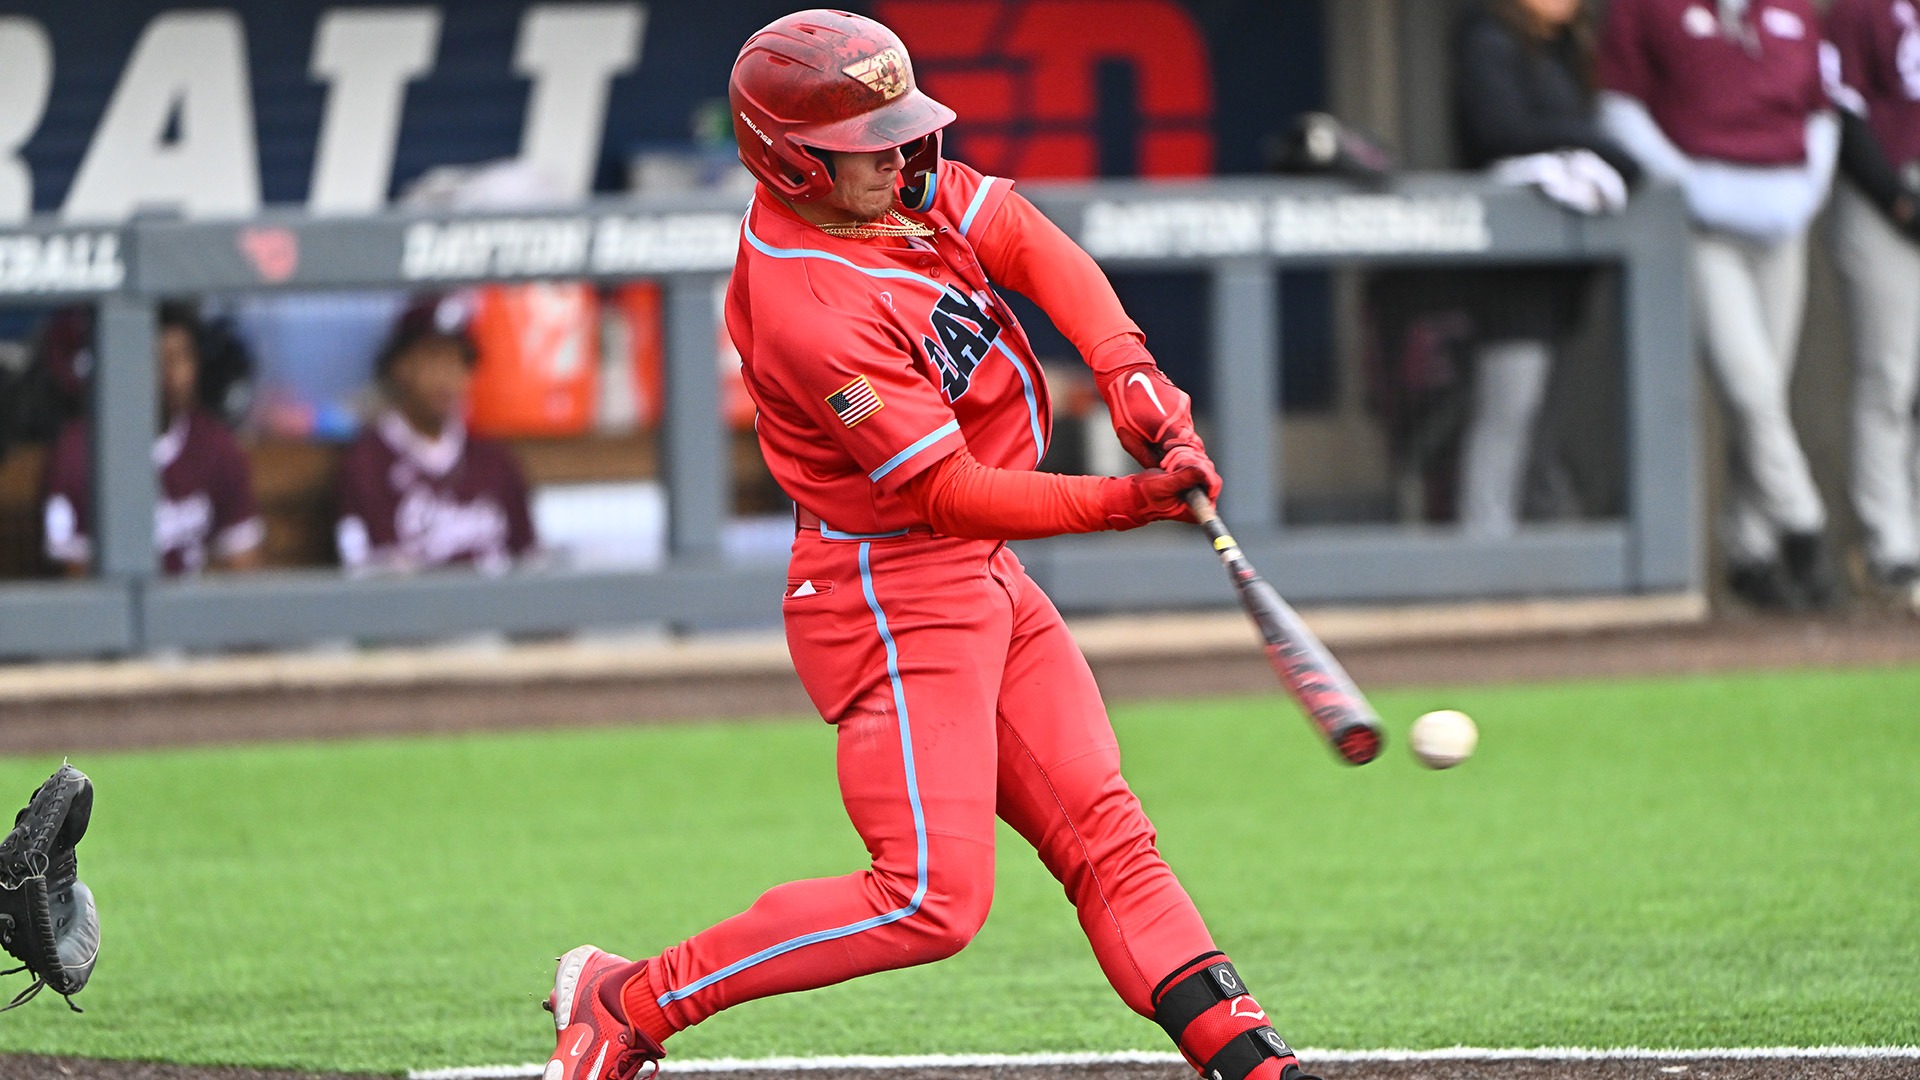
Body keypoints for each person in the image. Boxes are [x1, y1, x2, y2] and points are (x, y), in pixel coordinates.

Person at [541, 11, 1319, 1080]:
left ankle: (1246, 1056)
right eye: (871, 143)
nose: (905, 156)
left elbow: (1027, 238)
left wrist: (1129, 366)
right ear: (790, 160)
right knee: (928, 900)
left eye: (904, 128)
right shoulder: (809, 301)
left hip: (977, 570)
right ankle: (626, 1002)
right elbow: (951, 494)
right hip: (893, 590)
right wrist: (1128, 501)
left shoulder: (895, 187)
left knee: (1105, 829)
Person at [1596, 0, 1840, 609]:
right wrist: (1685, 181)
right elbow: (1619, 107)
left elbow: (1821, 108)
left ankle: (1749, 554)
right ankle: (1805, 525)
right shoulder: (1647, 8)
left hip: (1781, 217)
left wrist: (1807, 191)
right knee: (1749, 384)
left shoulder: (1791, 10)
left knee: (1766, 396)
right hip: (1704, 221)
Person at [1449, 0, 1641, 536]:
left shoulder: (1562, 49)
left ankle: (1542, 544)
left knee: (1542, 418)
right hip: (1511, 269)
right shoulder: (1485, 36)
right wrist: (1592, 143)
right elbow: (1498, 130)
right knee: (1508, 409)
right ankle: (1485, 548)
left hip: (1557, 270)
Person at [40, 301, 264, 576]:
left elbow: (243, 568)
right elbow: (77, 587)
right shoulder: (80, 450)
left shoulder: (216, 444)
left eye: (183, 357)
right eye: (159, 361)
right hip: (115, 614)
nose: (175, 375)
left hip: (194, 613)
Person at [1823, 0, 1920, 606]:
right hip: (1885, 197)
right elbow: (1843, 112)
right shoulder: (1858, 10)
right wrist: (1898, 200)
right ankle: (1890, 547)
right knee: (1888, 376)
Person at [333, 294, 538, 574]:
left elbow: (529, 564)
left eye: (457, 361)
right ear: (400, 366)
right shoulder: (369, 463)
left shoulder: (495, 461)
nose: (445, 376)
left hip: (496, 615)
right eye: (433, 357)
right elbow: (365, 580)